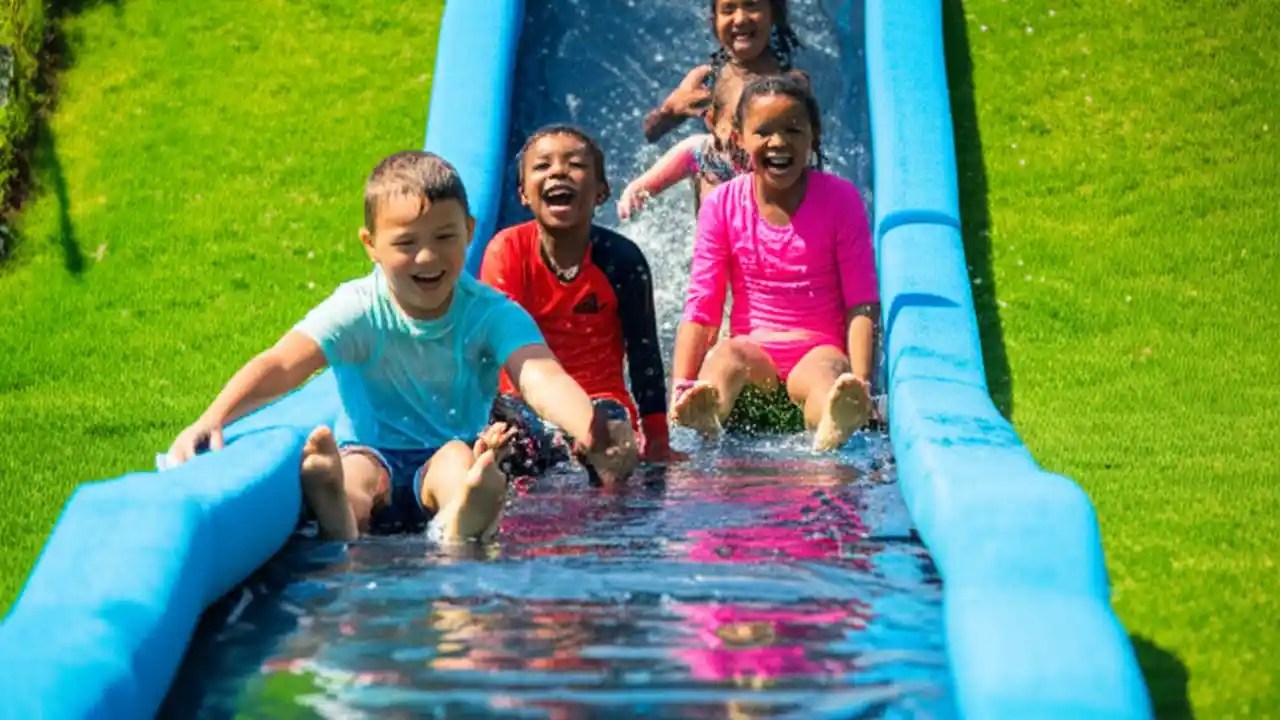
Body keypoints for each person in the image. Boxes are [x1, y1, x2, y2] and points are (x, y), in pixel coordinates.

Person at [167, 151, 635, 542]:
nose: (427, 256)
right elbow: (284, 363)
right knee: (356, 475)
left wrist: (588, 428)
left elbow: (540, 375)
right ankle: (341, 504)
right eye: (406, 243)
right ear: (371, 245)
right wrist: (214, 418)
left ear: (471, 232)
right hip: (369, 451)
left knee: (457, 462)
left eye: (445, 237)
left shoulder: (491, 312)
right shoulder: (358, 308)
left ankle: (465, 511)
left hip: (444, 455)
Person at [669, 75, 880, 452]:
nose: (779, 142)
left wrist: (861, 382)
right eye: (763, 131)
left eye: (793, 130)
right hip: (754, 353)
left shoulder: (840, 201)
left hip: (818, 348)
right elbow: (702, 307)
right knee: (726, 356)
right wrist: (681, 388)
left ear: (814, 135)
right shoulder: (722, 205)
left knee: (826, 374)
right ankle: (707, 411)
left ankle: (834, 421)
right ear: (739, 138)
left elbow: (861, 303)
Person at [481, 125, 682, 480]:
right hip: (524, 403)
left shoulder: (622, 259)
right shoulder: (507, 251)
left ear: (601, 191)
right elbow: (494, 345)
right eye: (542, 166)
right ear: (523, 194)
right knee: (507, 453)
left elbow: (644, 353)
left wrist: (658, 442)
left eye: (574, 164)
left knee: (615, 449)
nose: (558, 171)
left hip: (602, 404)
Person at [641, 0, 802, 145]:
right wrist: (669, 112)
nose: (740, 19)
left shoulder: (792, 84)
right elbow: (650, 135)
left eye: (751, 5)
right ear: (714, 23)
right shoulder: (703, 80)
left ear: (774, 13)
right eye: (728, 10)